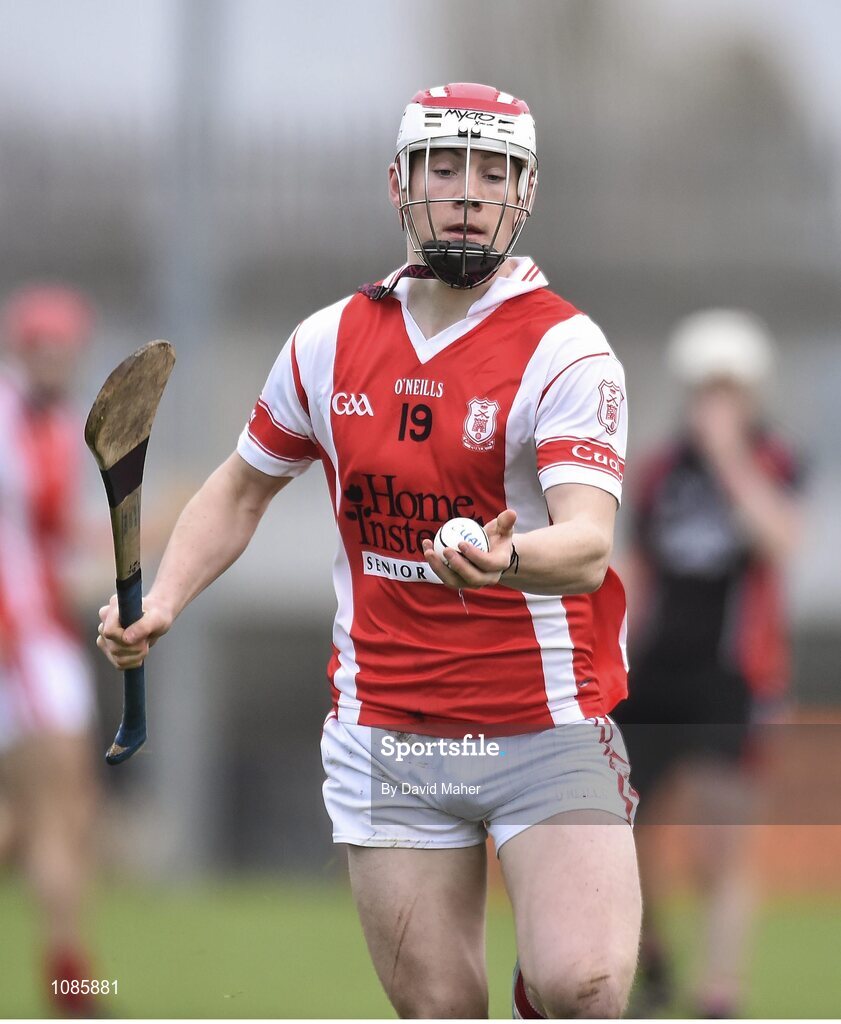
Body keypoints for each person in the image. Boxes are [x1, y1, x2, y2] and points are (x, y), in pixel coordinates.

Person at [98, 82, 641, 1019]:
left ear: (525, 193)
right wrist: (168, 599)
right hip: (388, 727)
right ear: (398, 181)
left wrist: (503, 561)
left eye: (494, 171)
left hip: (541, 722)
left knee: (580, 987)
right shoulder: (327, 342)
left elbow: (588, 546)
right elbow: (240, 486)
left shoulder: (566, 350)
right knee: (438, 1008)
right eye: (445, 166)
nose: (469, 190)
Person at [613, 309, 802, 1018]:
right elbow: (635, 568)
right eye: (704, 390)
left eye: (729, 391)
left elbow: (781, 541)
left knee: (718, 848)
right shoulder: (660, 472)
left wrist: (729, 459)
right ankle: (650, 957)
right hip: (654, 675)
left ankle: (718, 995)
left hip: (734, 677)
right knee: (614, 830)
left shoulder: (775, 461)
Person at [0, 284, 102, 1017]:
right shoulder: (7, 419)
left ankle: (72, 979)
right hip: (20, 644)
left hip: (44, 639)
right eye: (46, 346)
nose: (58, 360)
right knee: (53, 817)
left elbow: (59, 535)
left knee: (56, 817)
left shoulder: (59, 425)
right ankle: (73, 988)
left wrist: (159, 526)